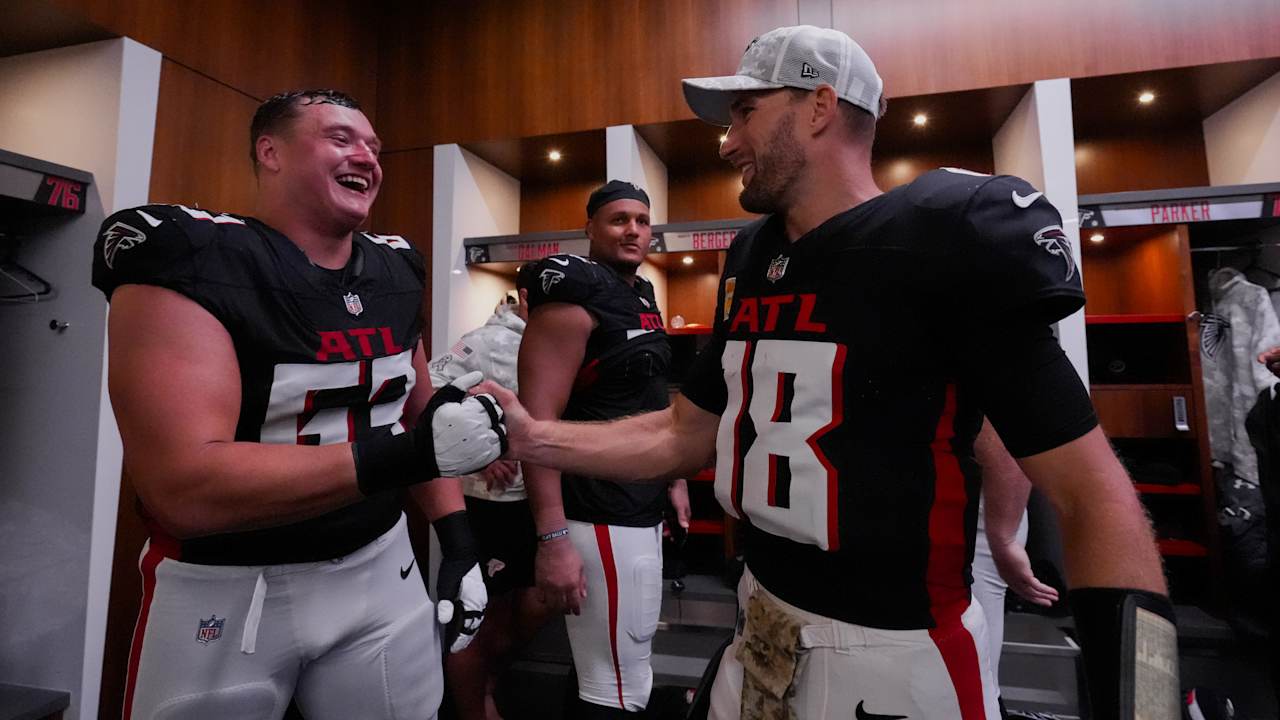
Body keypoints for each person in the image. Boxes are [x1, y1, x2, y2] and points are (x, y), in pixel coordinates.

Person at [478, 25, 1177, 720]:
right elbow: (682, 435)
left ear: (818, 106)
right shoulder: (753, 256)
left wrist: (1149, 707)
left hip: (896, 657)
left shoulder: (945, 234)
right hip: (759, 629)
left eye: (745, 112)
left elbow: (1094, 495)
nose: (726, 142)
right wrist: (534, 438)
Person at [93, 89, 504, 720]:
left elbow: (420, 417)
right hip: (230, 584)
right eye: (341, 138)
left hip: (379, 565)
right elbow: (184, 487)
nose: (366, 155)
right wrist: (402, 458)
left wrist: (458, 538)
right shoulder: (195, 256)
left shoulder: (396, 268)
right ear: (270, 151)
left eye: (374, 146)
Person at [519, 180, 690, 718]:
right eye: (618, 219)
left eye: (641, 220)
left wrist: (674, 474)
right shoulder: (574, 295)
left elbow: (648, 396)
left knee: (609, 664)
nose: (633, 229)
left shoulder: (640, 293)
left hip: (637, 500)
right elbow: (535, 428)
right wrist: (553, 538)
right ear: (590, 227)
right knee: (620, 682)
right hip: (597, 510)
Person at [430, 286, 556, 720]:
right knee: (476, 616)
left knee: (533, 601)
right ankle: (472, 706)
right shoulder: (485, 341)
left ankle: (487, 680)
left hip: (539, 502)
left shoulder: (558, 341)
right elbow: (427, 395)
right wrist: (477, 456)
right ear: (523, 296)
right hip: (490, 504)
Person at [971, 420, 1059, 709]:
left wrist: (1003, 537)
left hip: (975, 509)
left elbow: (1005, 435)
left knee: (974, 675)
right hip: (977, 506)